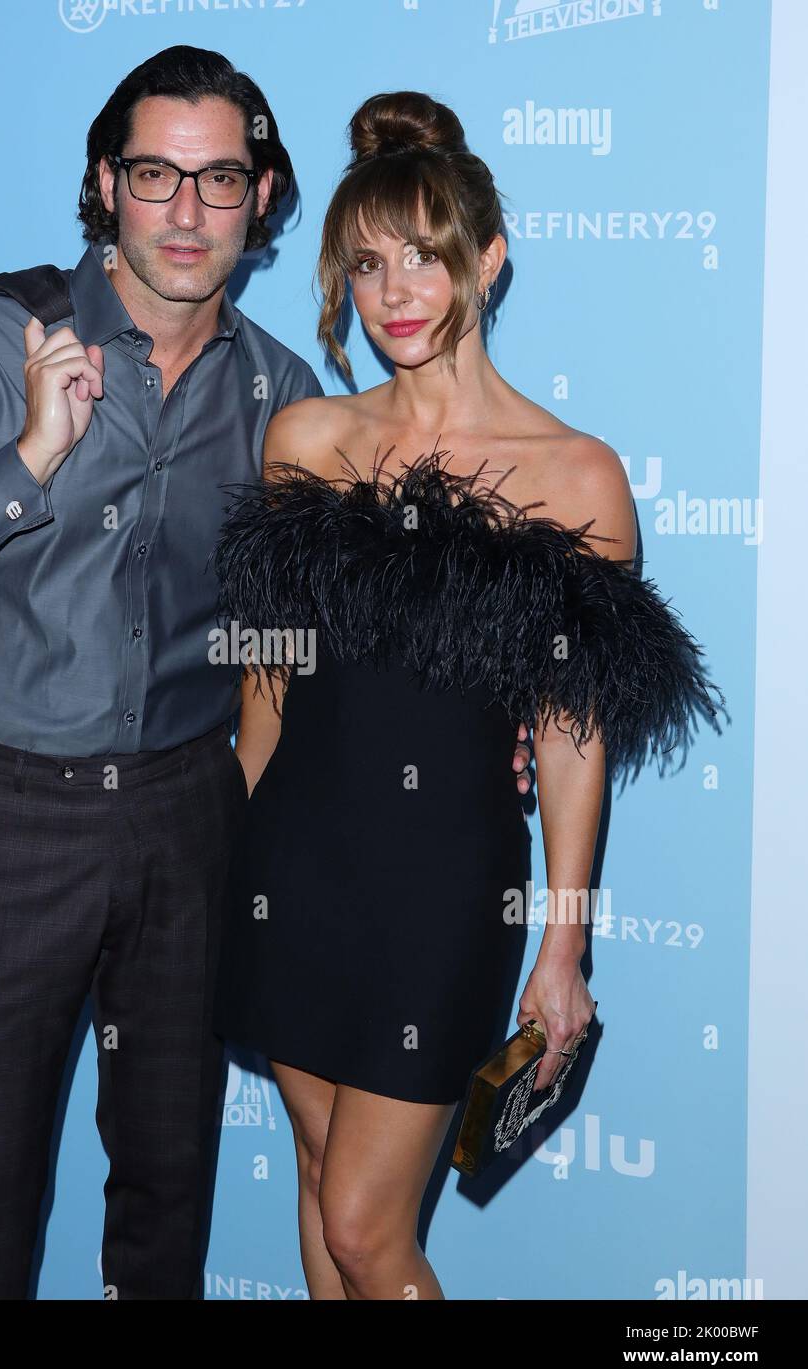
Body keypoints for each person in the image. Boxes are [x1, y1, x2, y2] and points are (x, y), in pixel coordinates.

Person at [0, 46, 536, 1300]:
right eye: (156, 174)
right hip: (8, 813)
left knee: (169, 1189)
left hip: (194, 815)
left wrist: (494, 719)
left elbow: (299, 640)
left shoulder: (283, 397)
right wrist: (28, 458)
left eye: (220, 180)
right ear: (106, 183)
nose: (187, 210)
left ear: (261, 200)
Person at [210, 90, 727, 1301]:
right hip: (291, 866)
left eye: (423, 257)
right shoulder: (304, 441)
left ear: (487, 259)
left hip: (444, 884)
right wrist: (223, 857)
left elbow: (571, 735)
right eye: (366, 263)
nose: (394, 291)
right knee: (317, 1177)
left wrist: (564, 943)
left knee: (363, 1227)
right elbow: (265, 684)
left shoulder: (575, 476)